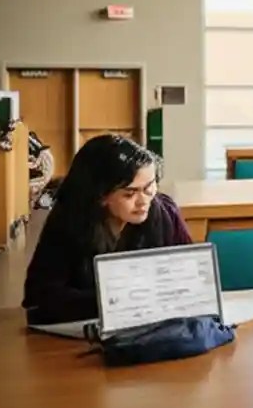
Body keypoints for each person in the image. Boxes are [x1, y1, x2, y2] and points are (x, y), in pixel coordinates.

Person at [23, 134, 191, 325]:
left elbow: (189, 275)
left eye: (149, 187)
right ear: (100, 195)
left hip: (156, 329)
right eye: (130, 193)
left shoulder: (164, 212)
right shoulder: (70, 221)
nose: (144, 201)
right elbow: (39, 299)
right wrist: (119, 300)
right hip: (87, 332)